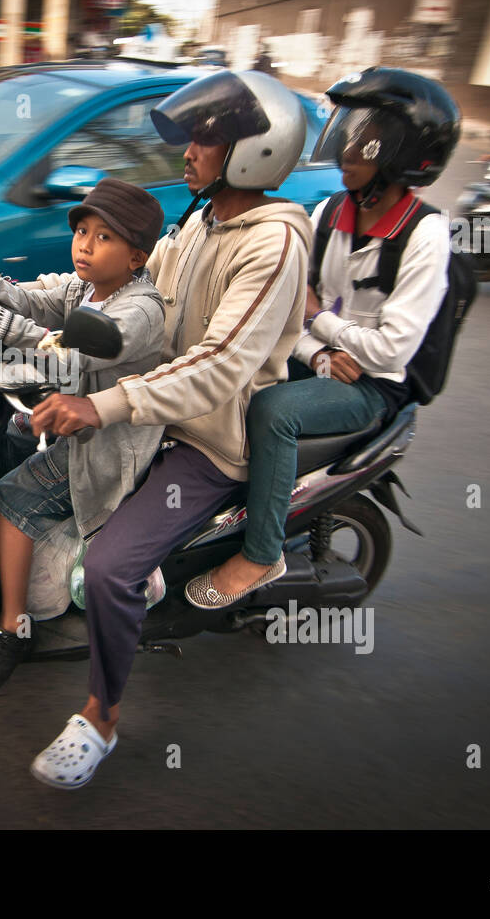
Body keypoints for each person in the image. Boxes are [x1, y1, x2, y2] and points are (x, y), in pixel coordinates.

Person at [26, 69, 314, 788]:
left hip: (204, 439)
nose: (187, 152)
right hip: (152, 415)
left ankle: (100, 717)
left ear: (256, 150)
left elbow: (219, 366)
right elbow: (128, 288)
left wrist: (102, 403)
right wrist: (24, 306)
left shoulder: (271, 244)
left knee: (112, 568)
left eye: (205, 140)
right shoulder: (198, 221)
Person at [195, 68, 460, 611]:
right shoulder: (329, 212)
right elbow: (289, 311)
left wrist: (322, 323)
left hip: (374, 385)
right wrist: (319, 348)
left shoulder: (426, 234)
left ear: (403, 154)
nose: (347, 146)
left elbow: (390, 351)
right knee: (219, 377)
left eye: (367, 138)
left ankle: (262, 552)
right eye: (349, 130)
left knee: (273, 412)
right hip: (322, 359)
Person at [0, 178, 168, 696]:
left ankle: (12, 628)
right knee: (1, 436)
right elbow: (33, 302)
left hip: (105, 444)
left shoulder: (140, 310)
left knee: (9, 496)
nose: (84, 243)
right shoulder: (89, 288)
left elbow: (70, 355)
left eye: (104, 237)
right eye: (82, 230)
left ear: (135, 256)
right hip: (64, 416)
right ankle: (7, 563)